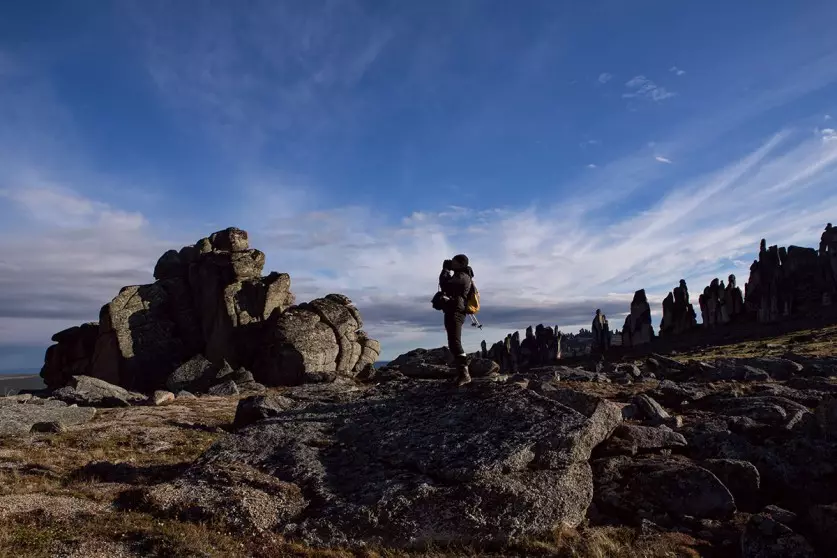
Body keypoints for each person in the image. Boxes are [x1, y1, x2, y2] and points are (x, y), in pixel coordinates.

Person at [439, 254, 473, 386]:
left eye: (453, 262)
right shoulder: (461, 275)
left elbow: (445, 285)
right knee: (453, 342)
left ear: (460, 264)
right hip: (453, 310)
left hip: (456, 311)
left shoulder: (462, 276)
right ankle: (462, 374)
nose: (451, 263)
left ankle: (465, 374)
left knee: (455, 342)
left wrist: (445, 270)